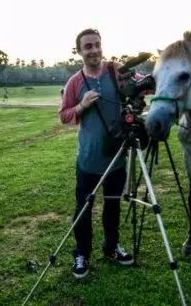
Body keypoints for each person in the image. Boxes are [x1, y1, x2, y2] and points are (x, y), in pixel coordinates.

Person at [59, 28, 135, 280]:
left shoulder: (115, 71)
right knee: (84, 208)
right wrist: (82, 105)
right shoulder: (75, 82)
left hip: (116, 157)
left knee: (112, 205)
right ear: (79, 51)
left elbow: (138, 85)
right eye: (88, 46)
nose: (93, 50)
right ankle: (82, 253)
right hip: (89, 159)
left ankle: (111, 247)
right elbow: (64, 116)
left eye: (97, 45)